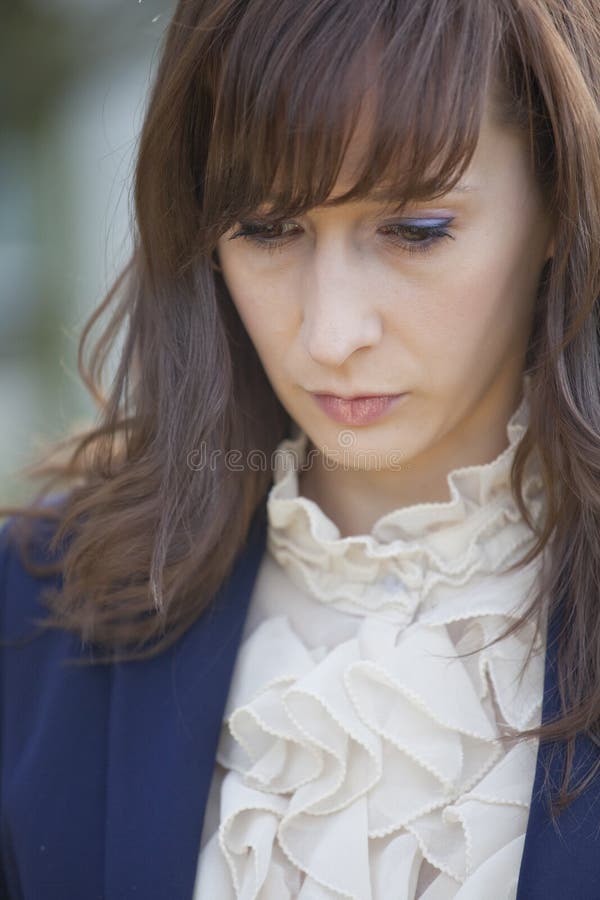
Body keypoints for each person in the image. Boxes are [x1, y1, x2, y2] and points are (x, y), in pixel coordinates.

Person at [1, 1, 599, 898]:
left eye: (414, 231)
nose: (329, 333)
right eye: (267, 230)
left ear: (561, 199)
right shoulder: (32, 612)